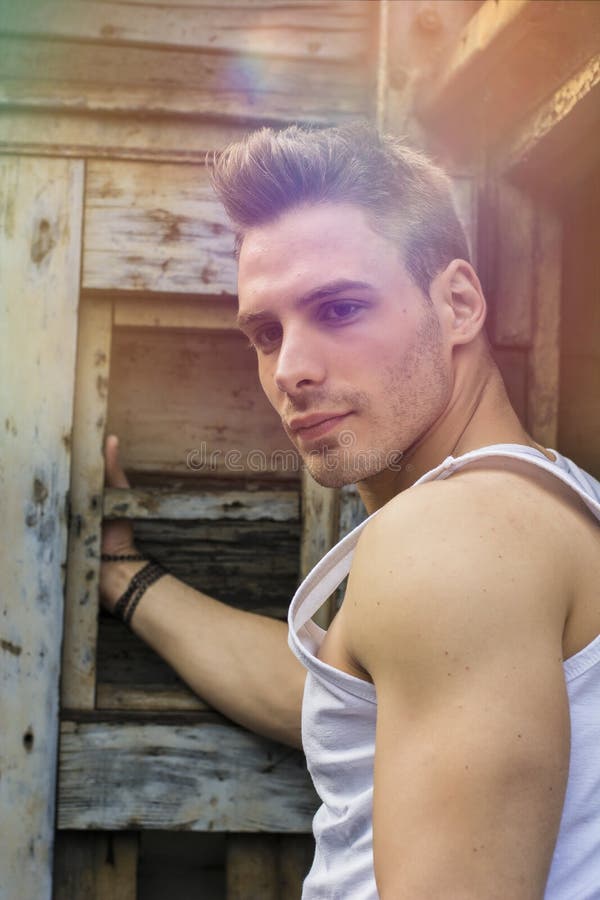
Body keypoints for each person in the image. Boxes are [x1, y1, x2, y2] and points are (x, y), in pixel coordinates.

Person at [100, 122, 600, 899]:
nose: (290, 370)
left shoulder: (452, 537)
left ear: (460, 304)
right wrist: (126, 578)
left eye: (338, 309)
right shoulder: (532, 504)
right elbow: (334, 696)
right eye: (266, 332)